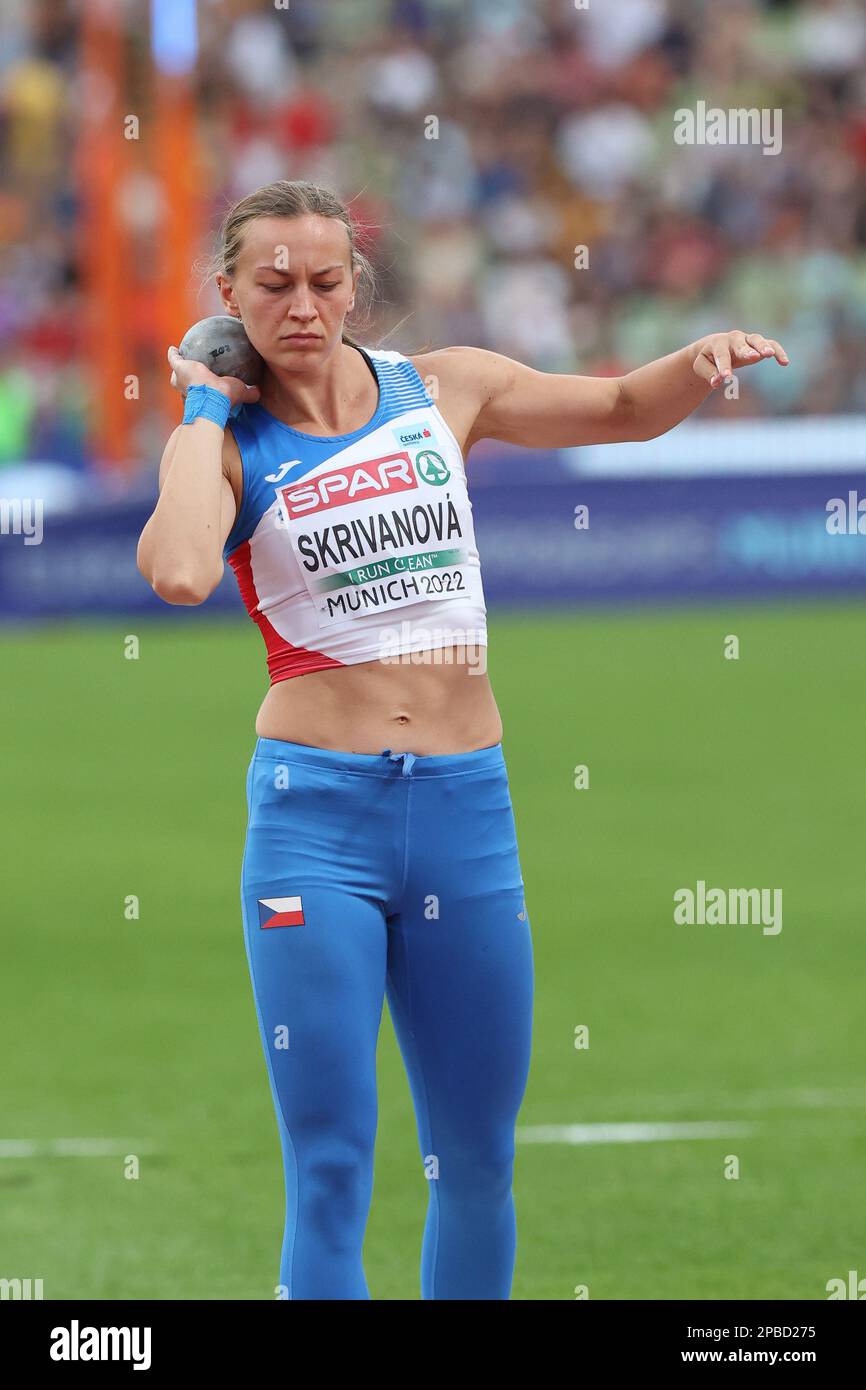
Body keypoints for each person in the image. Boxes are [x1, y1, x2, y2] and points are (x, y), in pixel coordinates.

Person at [136, 179, 788, 1300]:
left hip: (462, 813)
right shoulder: (225, 444)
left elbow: (620, 408)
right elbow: (183, 571)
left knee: (477, 1158)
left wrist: (698, 360)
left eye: (326, 281)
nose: (302, 305)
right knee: (331, 1166)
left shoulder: (443, 389)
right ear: (227, 293)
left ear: (357, 285)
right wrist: (200, 410)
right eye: (273, 283)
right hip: (314, 823)